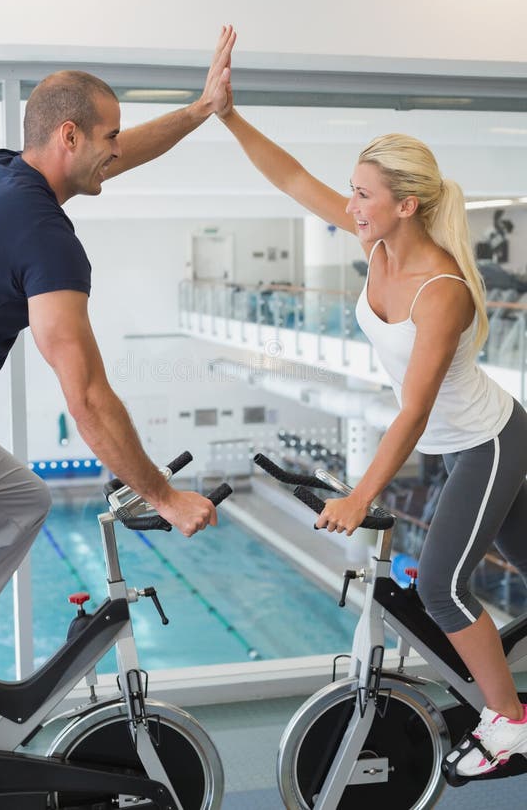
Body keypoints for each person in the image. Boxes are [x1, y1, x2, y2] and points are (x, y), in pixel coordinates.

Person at [0, 25, 236, 810]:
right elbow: (88, 395)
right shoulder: (48, 238)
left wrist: (202, 109)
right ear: (68, 137)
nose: (116, 151)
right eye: (107, 137)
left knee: (23, 501)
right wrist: (163, 495)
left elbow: (119, 156)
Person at [216, 88, 527, 777]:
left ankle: (510, 723)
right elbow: (292, 177)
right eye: (353, 191)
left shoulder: (440, 290)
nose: (351, 205)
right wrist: (229, 115)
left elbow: (413, 410)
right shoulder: (372, 237)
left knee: (442, 587)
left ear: (406, 205)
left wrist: (362, 495)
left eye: (363, 194)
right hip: (455, 446)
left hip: (489, 440)